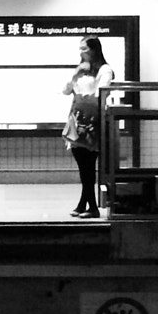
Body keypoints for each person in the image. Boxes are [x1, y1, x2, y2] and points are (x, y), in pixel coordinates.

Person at [61, 36, 114, 219]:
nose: (81, 52)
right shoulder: (81, 70)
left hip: (92, 121)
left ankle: (90, 206)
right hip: (77, 119)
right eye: (80, 49)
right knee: (83, 165)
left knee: (88, 165)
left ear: (94, 49)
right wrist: (76, 74)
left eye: (84, 48)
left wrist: (85, 95)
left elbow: (102, 93)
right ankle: (86, 204)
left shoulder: (104, 70)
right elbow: (66, 90)